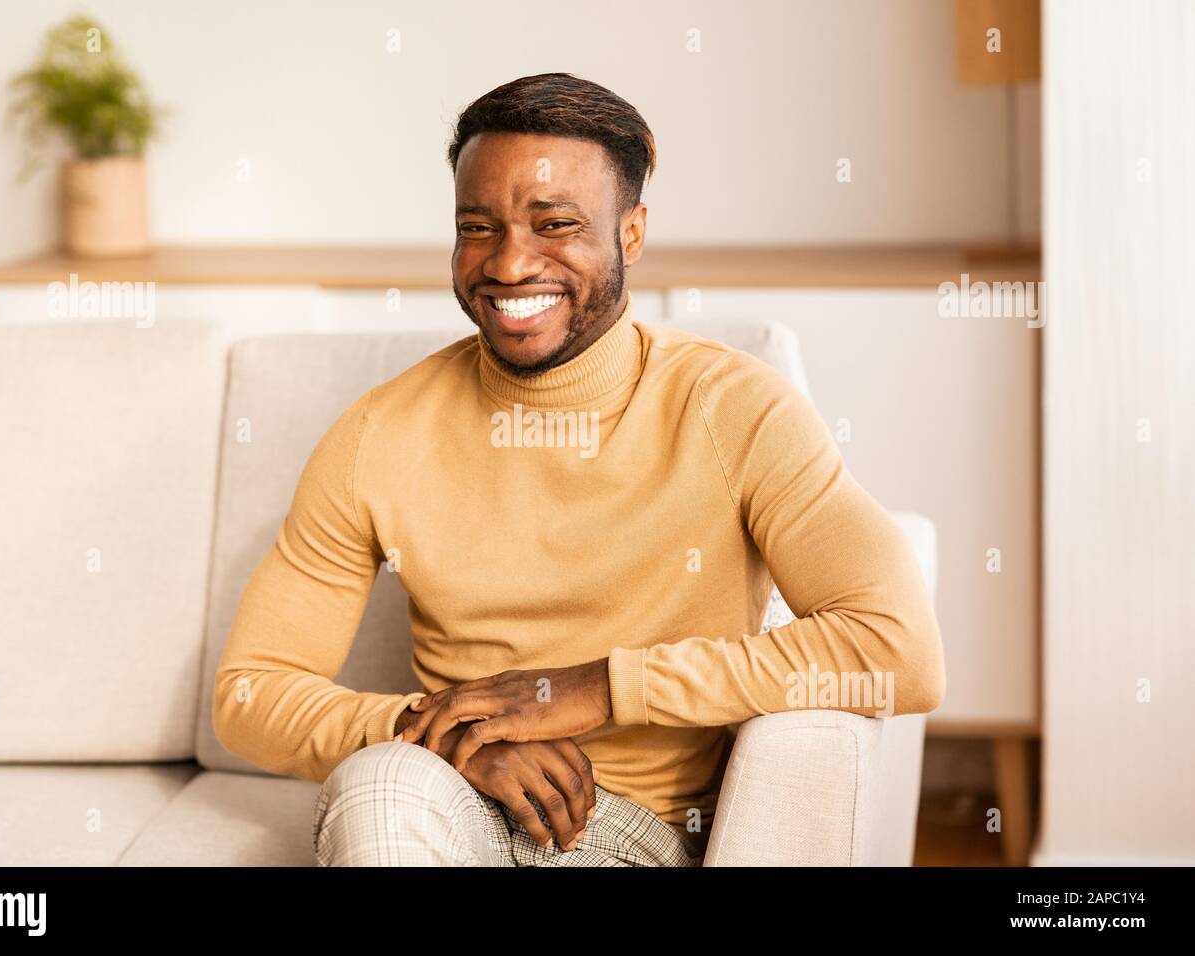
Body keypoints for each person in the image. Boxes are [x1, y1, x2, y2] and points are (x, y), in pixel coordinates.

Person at [213, 72, 945, 867]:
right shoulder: (380, 431)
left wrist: (598, 686)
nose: (510, 263)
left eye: (554, 223)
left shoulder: (733, 408)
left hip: (627, 825)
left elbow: (897, 650)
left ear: (631, 233)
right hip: (441, 795)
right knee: (380, 784)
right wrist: (448, 737)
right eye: (478, 226)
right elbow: (249, 692)